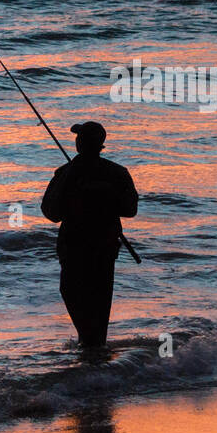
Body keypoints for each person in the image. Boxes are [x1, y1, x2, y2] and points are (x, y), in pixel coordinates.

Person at [40, 121, 138, 348]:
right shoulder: (117, 173)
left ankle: (91, 352)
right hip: (103, 250)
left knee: (73, 294)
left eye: (80, 137)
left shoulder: (67, 173)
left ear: (81, 143)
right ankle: (93, 352)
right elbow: (130, 209)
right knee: (98, 305)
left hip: (76, 248)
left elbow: (51, 212)